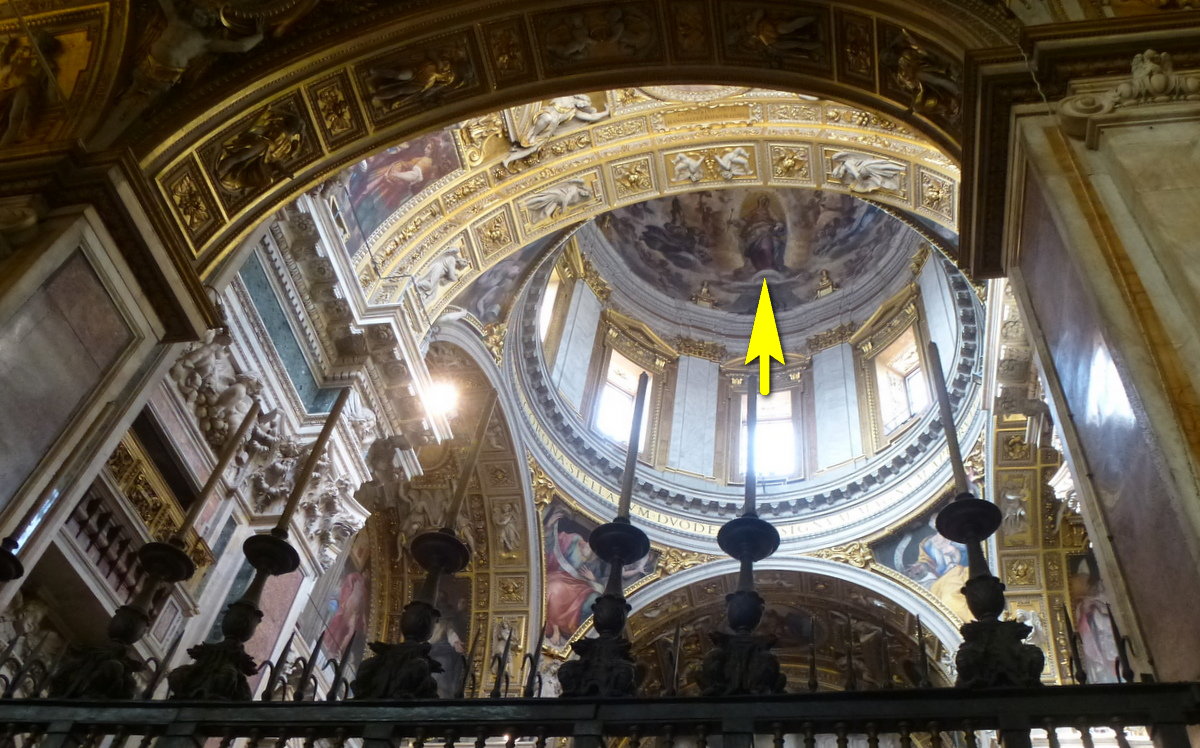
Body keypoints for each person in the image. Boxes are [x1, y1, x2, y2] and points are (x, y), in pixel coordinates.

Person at [735, 195, 787, 272]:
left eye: (765, 201)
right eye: (762, 201)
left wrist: (779, 225)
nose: (763, 203)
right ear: (759, 202)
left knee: (777, 243)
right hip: (755, 230)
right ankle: (762, 265)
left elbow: (777, 220)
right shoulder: (754, 211)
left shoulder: (769, 211)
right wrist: (736, 222)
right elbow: (744, 220)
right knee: (763, 243)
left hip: (768, 229)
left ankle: (772, 265)